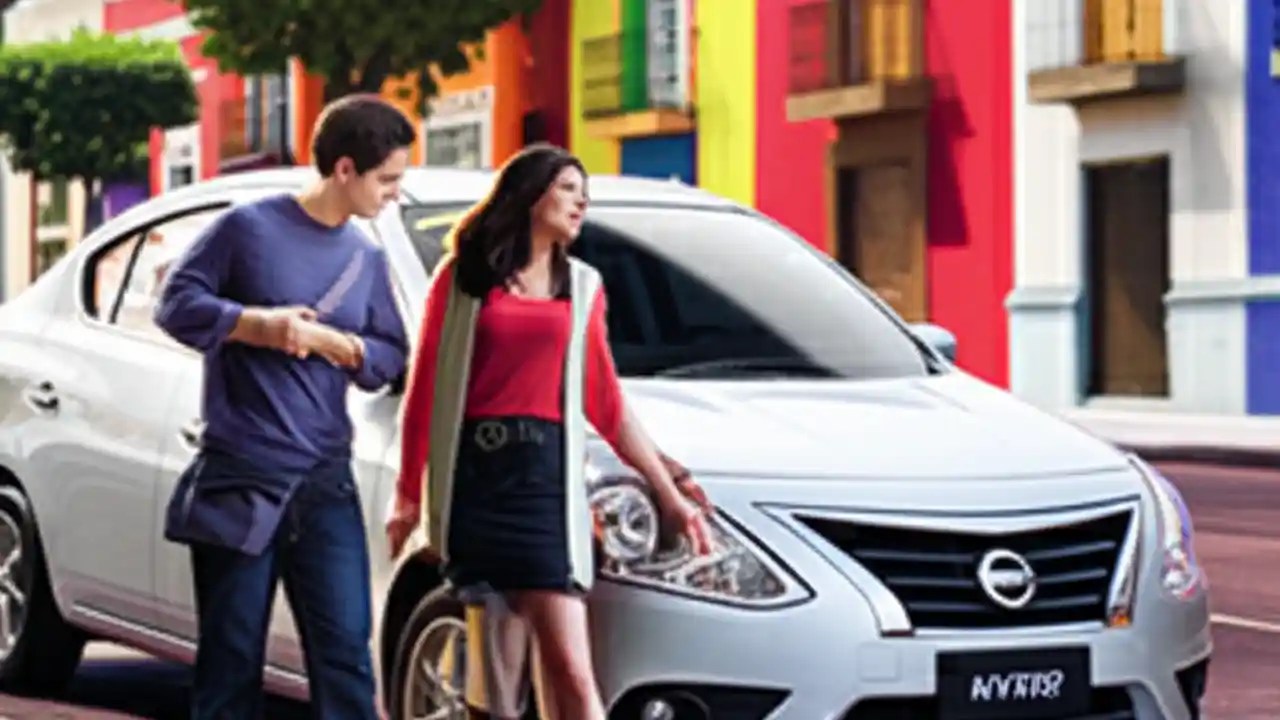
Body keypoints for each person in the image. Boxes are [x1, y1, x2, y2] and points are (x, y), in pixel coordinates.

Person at [384, 144, 714, 720]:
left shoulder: (583, 287)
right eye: (567, 187)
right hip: (478, 483)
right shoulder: (465, 279)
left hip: (545, 486)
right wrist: (409, 494)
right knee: (496, 690)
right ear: (530, 193)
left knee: (572, 670)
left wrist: (668, 489)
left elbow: (608, 406)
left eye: (584, 191)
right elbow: (426, 389)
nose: (581, 200)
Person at [153, 94, 414, 720]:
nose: (395, 194)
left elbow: (390, 357)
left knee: (347, 655)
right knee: (231, 660)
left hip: (326, 483)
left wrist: (344, 347)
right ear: (345, 169)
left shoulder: (367, 258)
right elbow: (175, 305)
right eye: (388, 179)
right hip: (242, 471)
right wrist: (260, 326)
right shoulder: (248, 229)